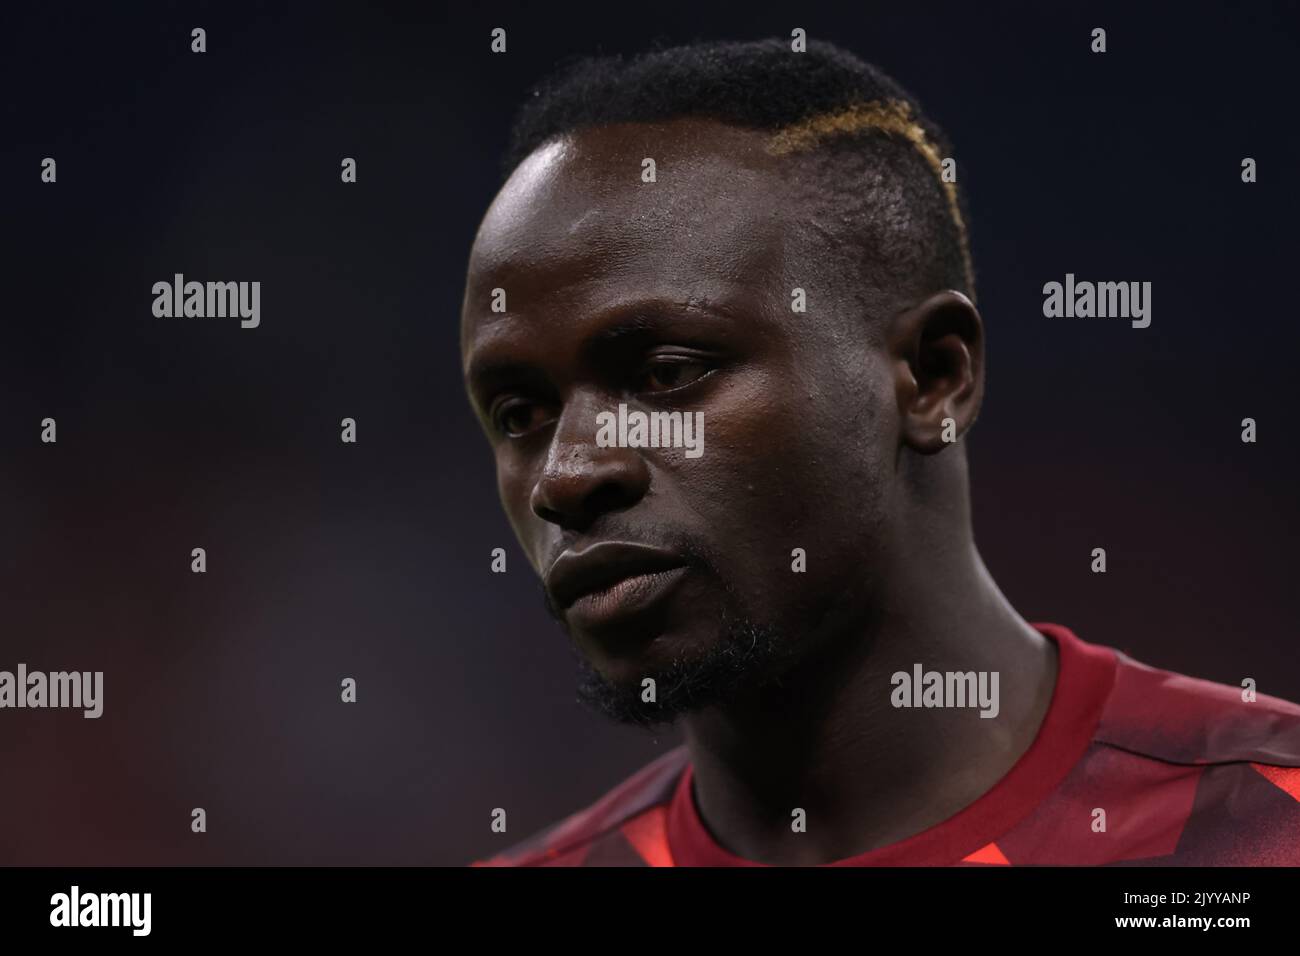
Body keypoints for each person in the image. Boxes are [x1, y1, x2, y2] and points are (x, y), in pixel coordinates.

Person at [459, 38, 1300, 866]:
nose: (566, 476)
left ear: (934, 376)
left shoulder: (1266, 828)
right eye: (521, 412)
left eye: (667, 372)